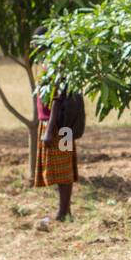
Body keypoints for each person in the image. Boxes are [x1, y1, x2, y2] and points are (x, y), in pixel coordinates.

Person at [33, 72, 76, 226]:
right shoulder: (50, 64)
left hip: (59, 127)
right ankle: (66, 211)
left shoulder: (55, 65)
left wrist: (49, 131)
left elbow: (56, 99)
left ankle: (63, 213)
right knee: (64, 170)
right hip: (60, 127)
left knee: (64, 171)